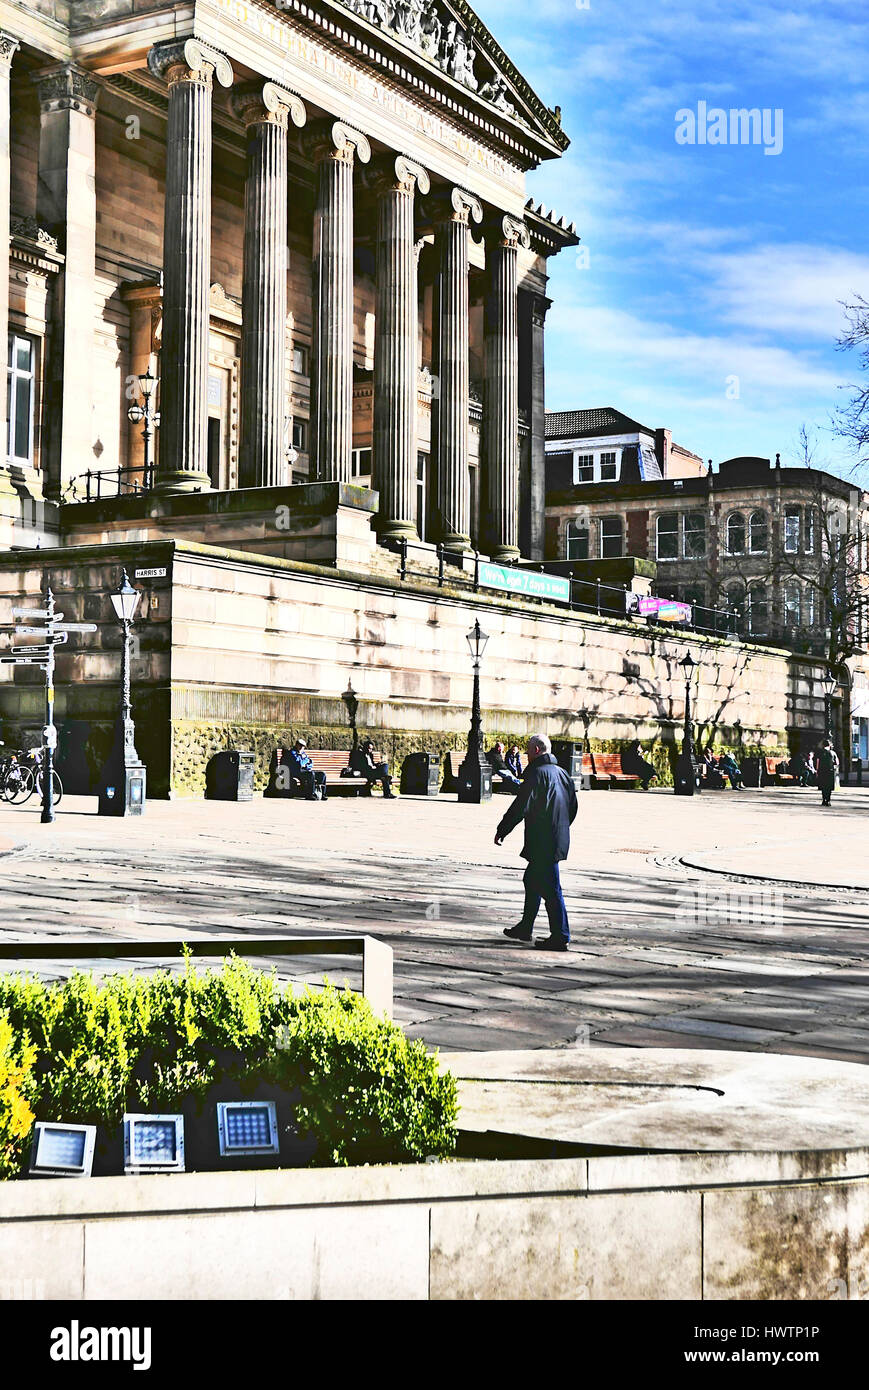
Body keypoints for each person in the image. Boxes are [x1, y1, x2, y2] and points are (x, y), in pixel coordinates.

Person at [495, 733, 578, 952]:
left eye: (529, 750)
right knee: (532, 879)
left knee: (551, 887)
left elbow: (520, 806)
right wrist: (561, 826)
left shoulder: (536, 775)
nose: (527, 754)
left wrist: (502, 829)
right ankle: (525, 927)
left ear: (537, 751)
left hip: (544, 838)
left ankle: (561, 935)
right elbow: (573, 806)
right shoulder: (562, 773)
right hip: (557, 835)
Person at [816, 738, 839, 808]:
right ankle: (828, 800)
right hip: (830, 771)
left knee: (823, 786)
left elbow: (818, 762)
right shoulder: (833, 753)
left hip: (822, 771)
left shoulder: (820, 752)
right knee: (829, 787)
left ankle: (824, 800)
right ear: (830, 745)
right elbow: (837, 762)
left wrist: (817, 770)